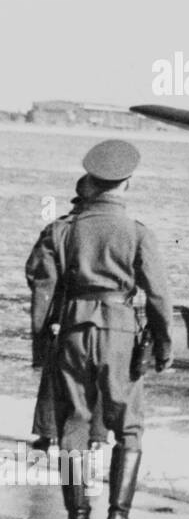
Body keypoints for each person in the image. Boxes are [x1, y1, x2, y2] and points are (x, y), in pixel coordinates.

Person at [28, 141, 173, 519]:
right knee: (128, 428)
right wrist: (163, 346)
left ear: (90, 182)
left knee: (73, 425)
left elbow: (42, 290)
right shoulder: (138, 233)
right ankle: (118, 518)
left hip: (72, 333)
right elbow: (159, 296)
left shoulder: (62, 229)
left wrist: (42, 347)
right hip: (121, 334)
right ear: (127, 184)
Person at [27, 176, 108, 459]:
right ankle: (97, 437)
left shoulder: (60, 229)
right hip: (109, 316)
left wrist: (42, 323)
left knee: (56, 374)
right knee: (98, 375)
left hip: (66, 313)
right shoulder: (120, 228)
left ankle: (46, 435)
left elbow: (39, 276)